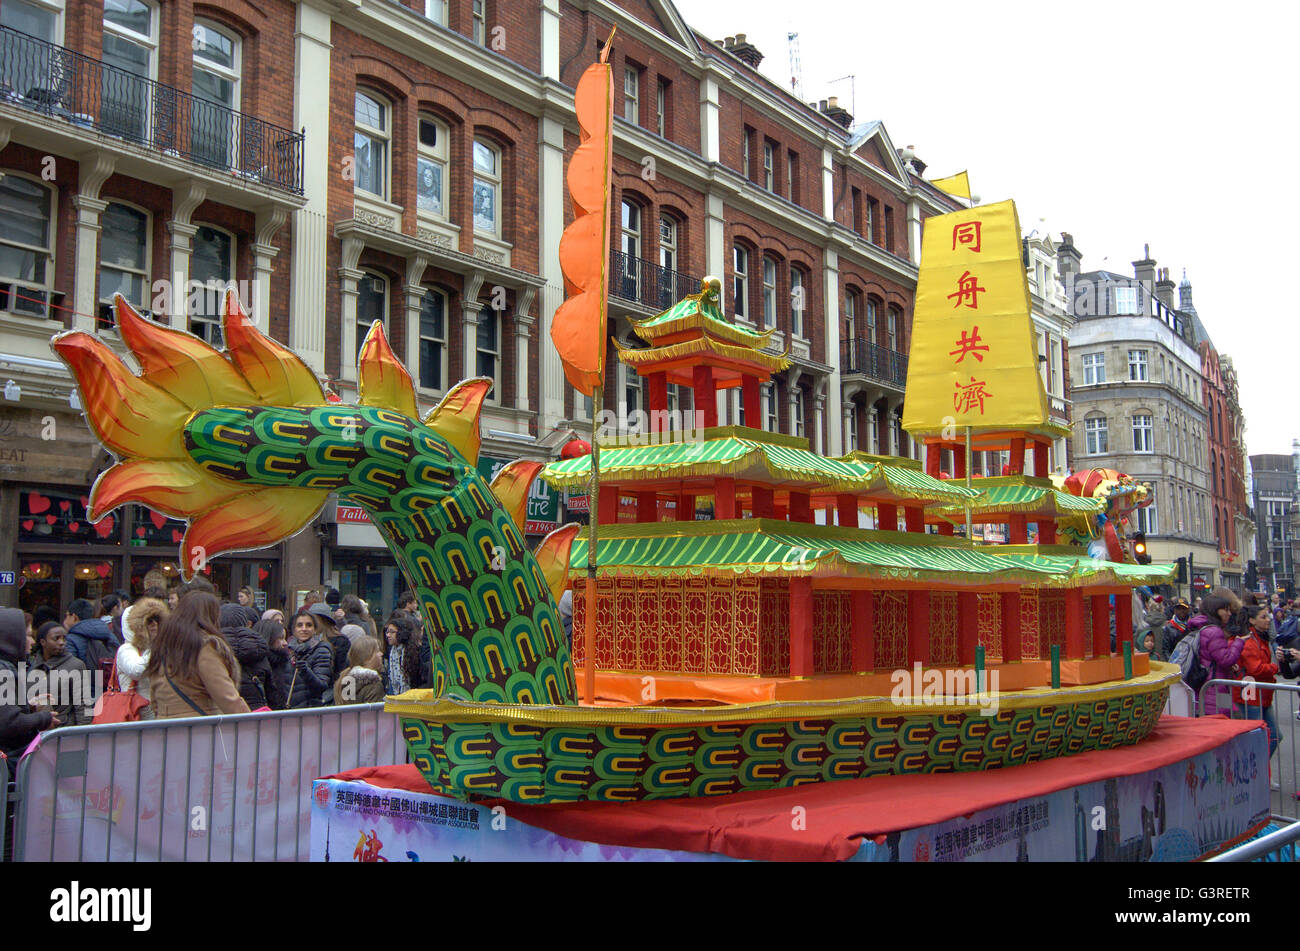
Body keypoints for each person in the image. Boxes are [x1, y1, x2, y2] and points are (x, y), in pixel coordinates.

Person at [145, 592, 250, 718]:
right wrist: (251, 722)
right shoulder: (204, 647)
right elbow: (226, 697)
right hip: (199, 729)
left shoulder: (161, 647)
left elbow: (155, 698)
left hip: (164, 728)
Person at [0, 608, 56, 774]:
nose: (32, 641)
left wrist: (28, 708)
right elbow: (8, 723)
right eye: (28, 635)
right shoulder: (3, 670)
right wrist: (43, 718)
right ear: (11, 638)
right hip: (7, 765)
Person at [1231, 602, 1286, 766]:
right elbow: (1255, 668)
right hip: (1251, 694)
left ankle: (1257, 770)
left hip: (1261, 695)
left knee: (1274, 736)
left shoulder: (1260, 638)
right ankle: (1254, 770)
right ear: (1252, 620)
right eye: (1263, 617)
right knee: (1260, 737)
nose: (1268, 620)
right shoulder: (1249, 641)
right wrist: (1275, 667)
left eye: (1268, 616)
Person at [116, 597, 168, 721]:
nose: (154, 624)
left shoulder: (161, 647)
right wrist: (155, 645)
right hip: (137, 711)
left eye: (157, 620)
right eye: (149, 621)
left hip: (160, 708)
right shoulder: (126, 649)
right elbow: (136, 671)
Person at [219, 603, 277, 711]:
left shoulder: (213, 648)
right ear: (245, 622)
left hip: (224, 715)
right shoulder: (258, 646)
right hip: (256, 716)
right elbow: (271, 691)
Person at [1195, 589, 1244, 716]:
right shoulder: (1214, 631)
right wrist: (1238, 642)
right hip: (1214, 688)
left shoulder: (1201, 627)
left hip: (1209, 685)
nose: (1229, 614)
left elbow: (1213, 657)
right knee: (1221, 722)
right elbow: (1226, 659)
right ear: (1215, 611)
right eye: (1225, 610)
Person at [29, 623, 89, 726]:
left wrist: (83, 735)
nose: (61, 643)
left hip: (63, 731)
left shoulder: (76, 665)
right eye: (56, 639)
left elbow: (83, 704)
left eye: (64, 638)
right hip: (36, 731)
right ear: (43, 642)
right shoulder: (32, 665)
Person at [63, 598, 120, 683]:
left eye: (67, 615)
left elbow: (69, 671)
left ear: (74, 617)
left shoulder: (71, 639)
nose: (65, 620)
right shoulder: (109, 634)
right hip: (109, 691)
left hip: (84, 692)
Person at [286, 610, 335, 708]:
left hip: (310, 709)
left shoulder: (321, 650)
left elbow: (321, 685)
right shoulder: (289, 650)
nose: (304, 629)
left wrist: (305, 671)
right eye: (299, 625)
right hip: (289, 709)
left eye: (309, 625)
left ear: (315, 629)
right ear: (294, 630)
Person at [333, 635, 386, 705]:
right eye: (377, 651)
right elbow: (373, 715)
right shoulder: (374, 684)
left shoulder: (347, 680)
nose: (381, 654)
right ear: (368, 657)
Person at [383, 613, 427, 694]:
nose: (388, 635)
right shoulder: (391, 652)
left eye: (392, 632)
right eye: (387, 632)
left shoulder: (416, 651)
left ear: (402, 632)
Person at [254, 617, 292, 710]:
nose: (285, 643)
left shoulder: (285, 663)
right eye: (281, 638)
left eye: (285, 638)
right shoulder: (258, 665)